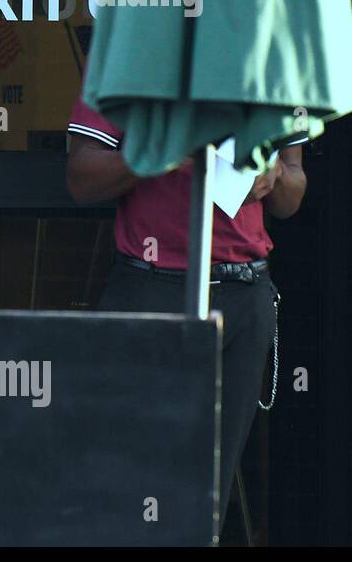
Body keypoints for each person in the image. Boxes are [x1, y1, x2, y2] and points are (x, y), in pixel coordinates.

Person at [66, 93, 306, 535]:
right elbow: (82, 176)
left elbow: (292, 191)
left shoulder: (270, 60)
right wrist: (164, 152)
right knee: (127, 485)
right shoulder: (138, 44)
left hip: (243, 292)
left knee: (206, 495)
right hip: (151, 287)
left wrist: (274, 174)